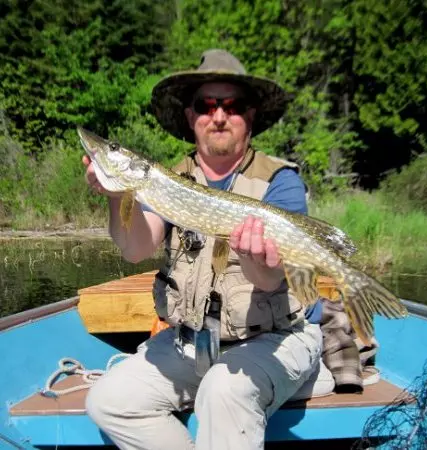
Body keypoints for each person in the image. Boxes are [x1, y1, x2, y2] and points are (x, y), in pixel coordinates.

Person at [83, 49, 356, 450]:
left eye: (233, 105)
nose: (219, 115)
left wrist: (257, 259)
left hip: (275, 339)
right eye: (207, 105)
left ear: (251, 116)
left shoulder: (280, 182)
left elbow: (270, 280)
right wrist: (112, 194)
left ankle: (305, 372)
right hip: (193, 342)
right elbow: (135, 248)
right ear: (191, 117)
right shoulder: (167, 179)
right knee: (109, 401)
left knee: (223, 391)